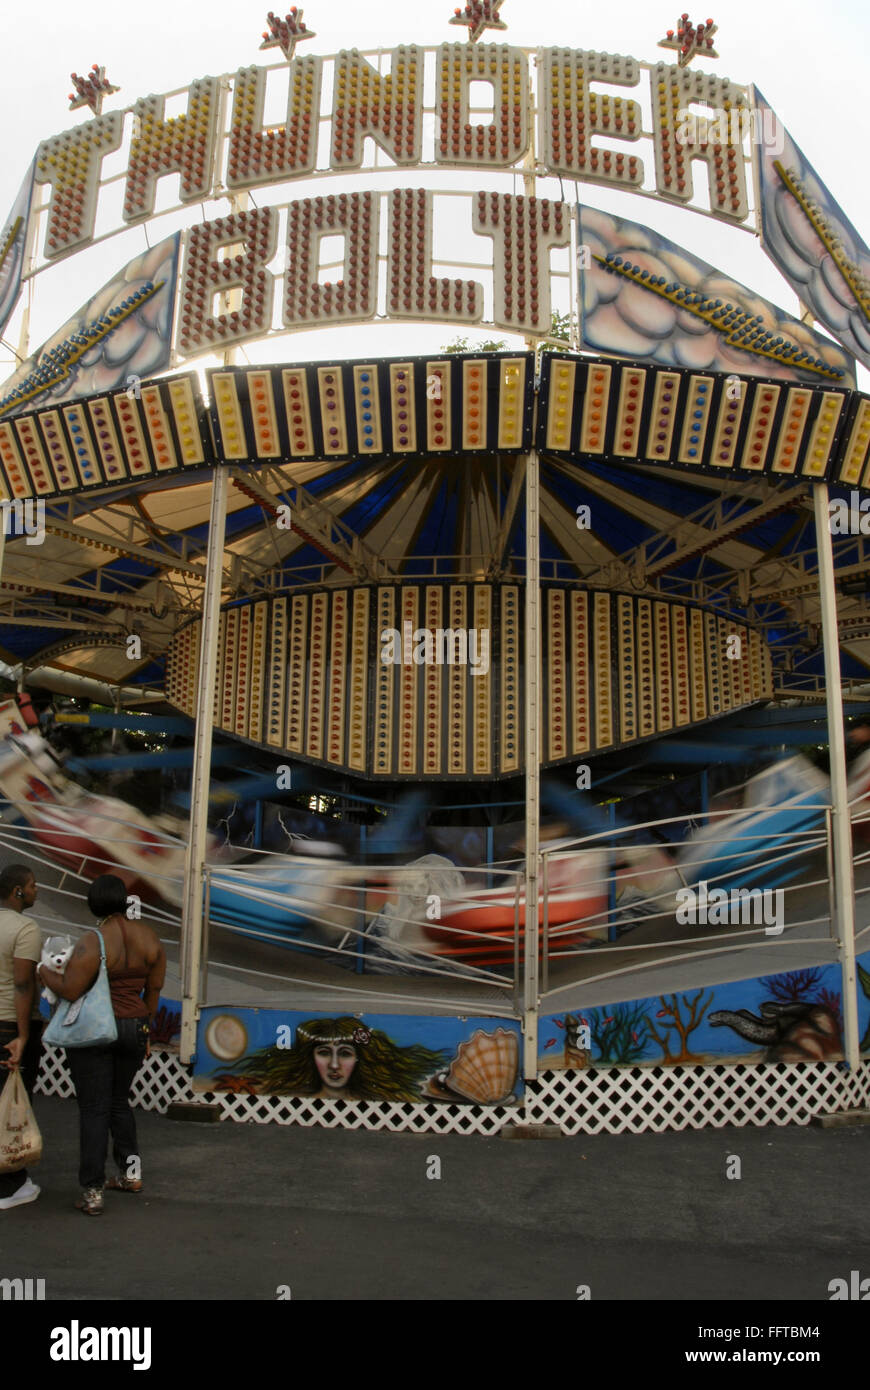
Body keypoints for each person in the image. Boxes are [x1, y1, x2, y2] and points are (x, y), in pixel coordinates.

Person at [37, 874, 166, 1216]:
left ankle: (93, 1191)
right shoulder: (151, 938)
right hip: (134, 1026)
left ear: (95, 903)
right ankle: (131, 1174)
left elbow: (69, 989)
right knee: (119, 1103)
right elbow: (153, 991)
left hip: (98, 1029)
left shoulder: (93, 941)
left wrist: (43, 972)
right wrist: (145, 1029)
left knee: (94, 1109)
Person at [0, 865, 42, 1210]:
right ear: (17, 891)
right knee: (10, 1105)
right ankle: (9, 1184)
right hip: (8, 1025)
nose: (36, 890)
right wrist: (24, 1035)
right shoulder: (26, 928)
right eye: (31, 885)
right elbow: (23, 983)